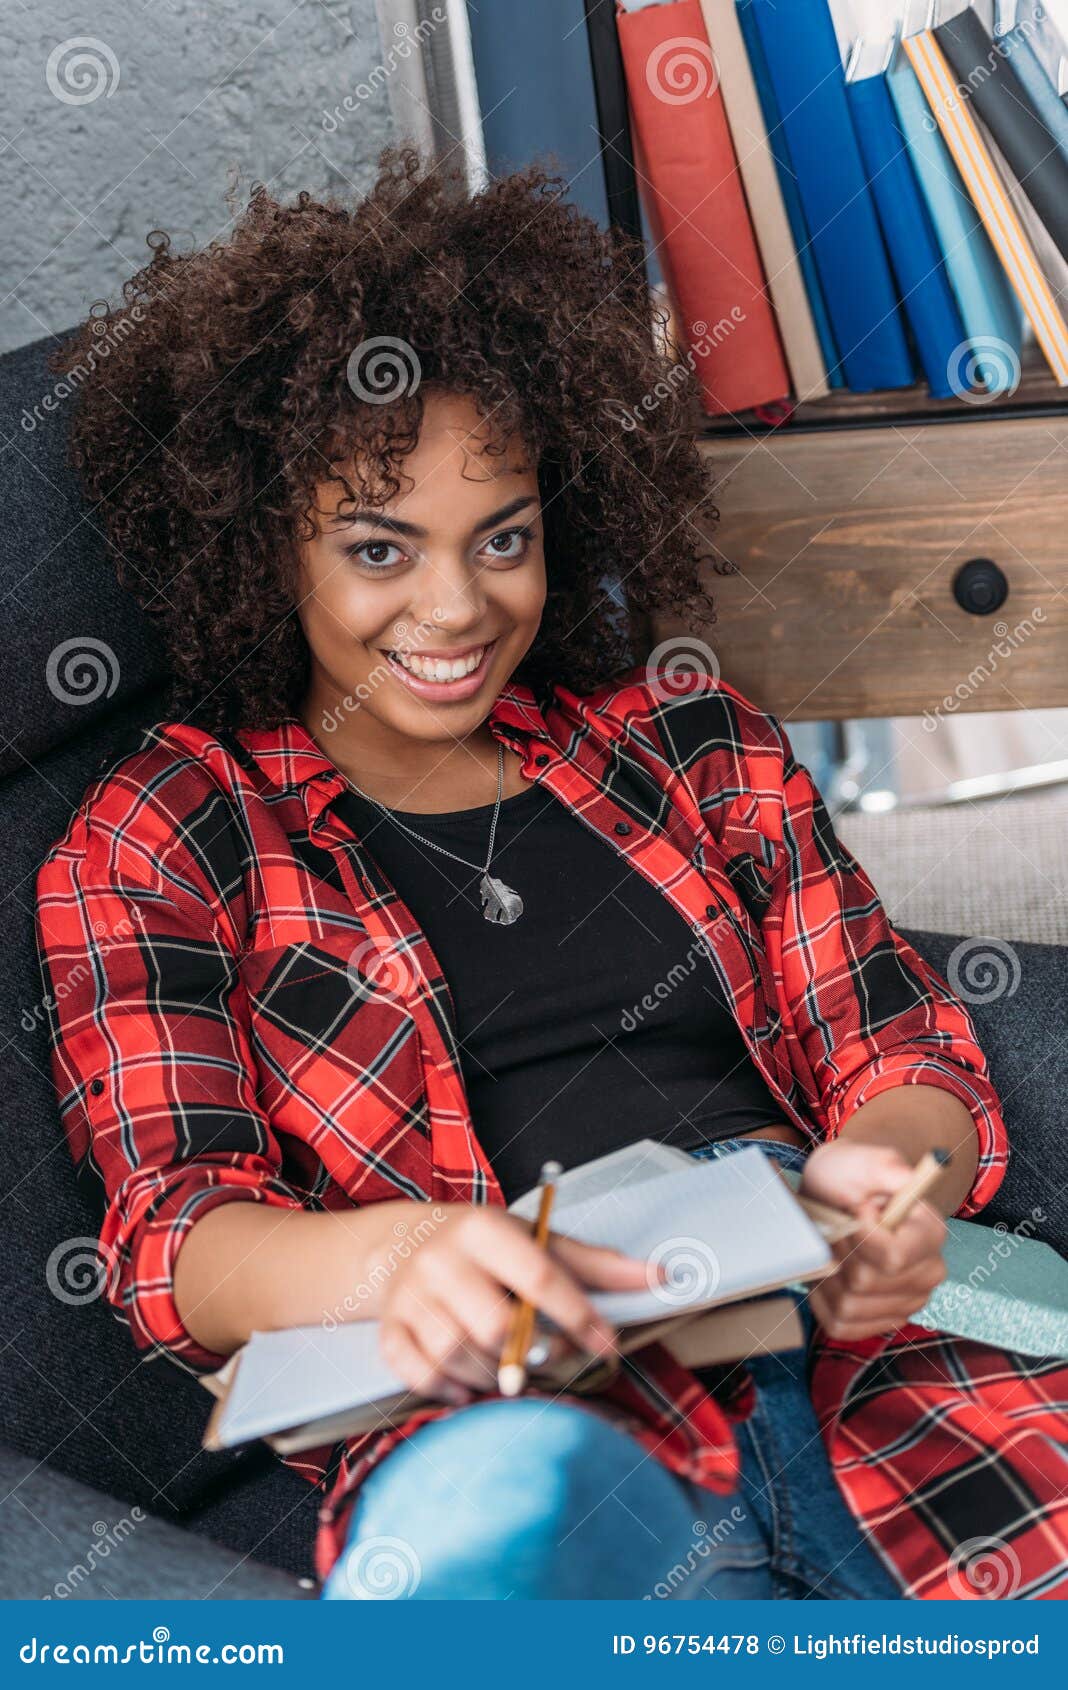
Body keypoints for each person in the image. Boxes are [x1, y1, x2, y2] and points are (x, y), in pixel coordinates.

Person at [35, 147, 1067, 1601]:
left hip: (852, 1353)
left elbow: (896, 1048)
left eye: (502, 538)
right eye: (381, 548)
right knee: (530, 1538)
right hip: (506, 1406)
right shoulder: (164, 835)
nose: (457, 607)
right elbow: (176, 1234)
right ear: (272, 541)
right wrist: (408, 1256)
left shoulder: (695, 741)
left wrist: (894, 1183)